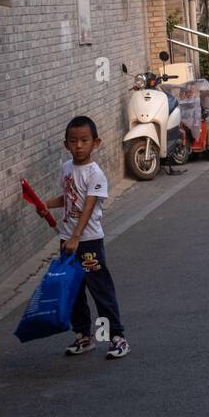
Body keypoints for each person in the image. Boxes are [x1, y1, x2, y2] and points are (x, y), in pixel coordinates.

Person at [44, 116, 129, 359]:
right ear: (66, 144)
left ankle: (118, 337)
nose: (78, 145)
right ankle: (84, 336)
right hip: (67, 240)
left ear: (96, 143)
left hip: (87, 240)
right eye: (73, 141)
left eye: (84, 140)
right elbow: (67, 198)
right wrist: (45, 205)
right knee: (73, 289)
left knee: (100, 289)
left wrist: (75, 237)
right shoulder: (66, 169)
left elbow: (89, 206)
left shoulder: (95, 174)